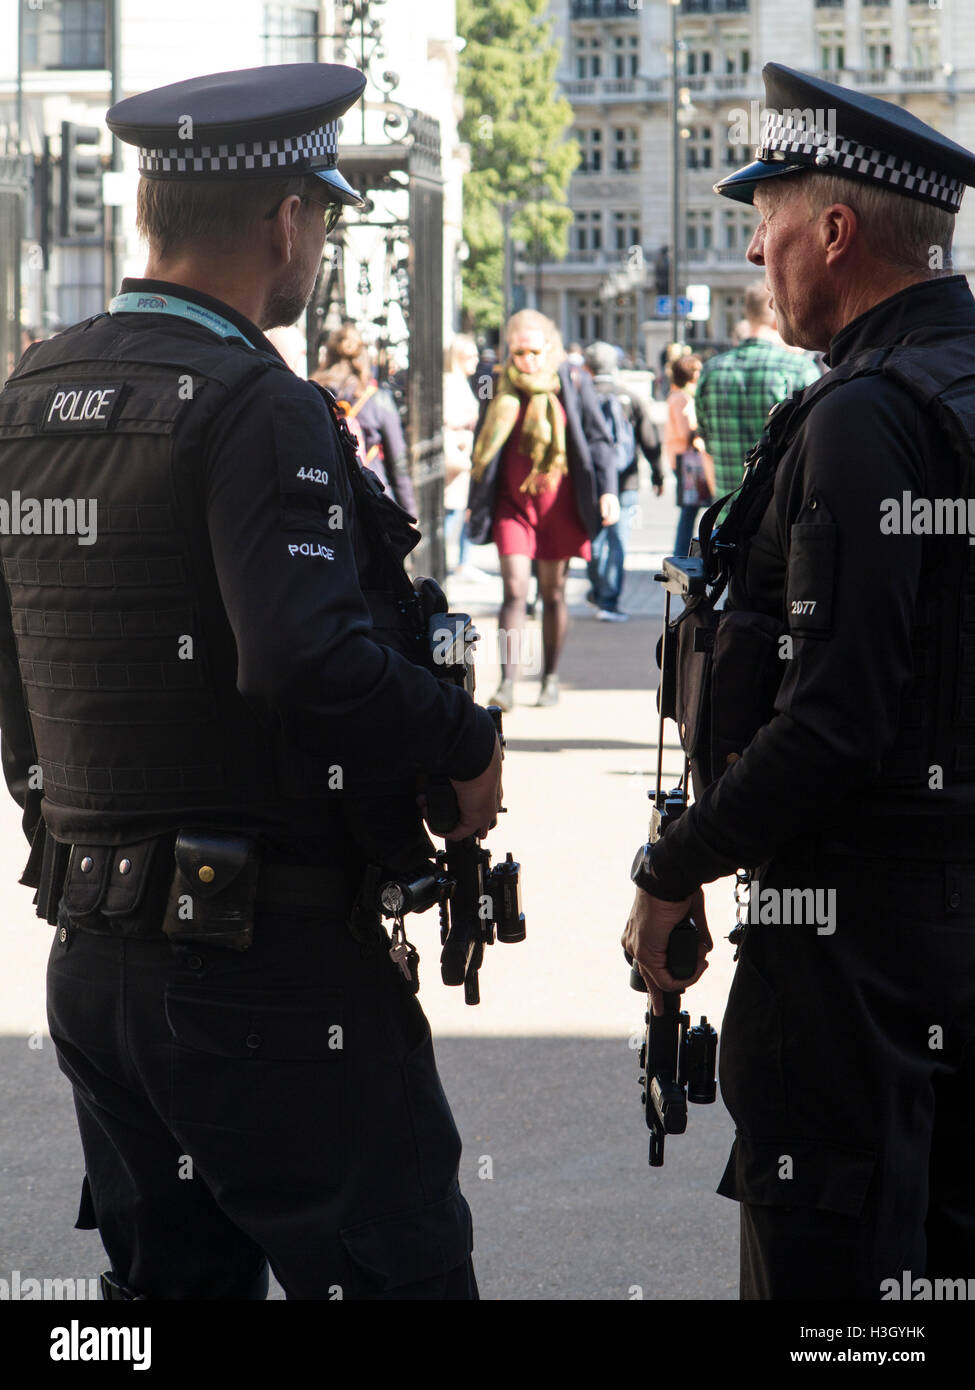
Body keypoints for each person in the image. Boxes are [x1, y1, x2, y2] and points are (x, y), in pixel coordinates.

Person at [0, 62, 503, 1301]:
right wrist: (462, 736)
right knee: (402, 1277)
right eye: (323, 216)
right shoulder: (258, 405)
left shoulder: (26, 398)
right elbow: (302, 656)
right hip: (265, 971)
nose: (319, 245)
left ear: (145, 216)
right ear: (288, 221)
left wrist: (69, 827)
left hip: (98, 959)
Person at [623, 61, 975, 1300]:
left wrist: (673, 868)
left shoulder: (865, 418)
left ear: (836, 232)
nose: (759, 254)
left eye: (768, 224)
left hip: (854, 969)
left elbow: (834, 719)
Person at [467, 309, 618, 709]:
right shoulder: (498, 386)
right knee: (514, 590)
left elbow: (600, 440)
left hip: (560, 505)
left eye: (534, 351)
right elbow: (484, 450)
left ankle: (550, 677)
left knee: (553, 594)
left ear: (548, 347)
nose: (526, 360)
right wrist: (472, 503)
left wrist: (609, 490)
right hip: (512, 504)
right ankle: (508, 683)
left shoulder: (573, 381)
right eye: (518, 352)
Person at [695, 280, 821, 514]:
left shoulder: (711, 371)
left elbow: (706, 450)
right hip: (780, 524)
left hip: (725, 519)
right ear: (778, 314)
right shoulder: (798, 369)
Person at [582, 339, 663, 621]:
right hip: (625, 480)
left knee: (593, 538)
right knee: (618, 541)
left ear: (587, 366)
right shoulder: (629, 397)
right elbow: (650, 440)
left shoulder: (581, 396)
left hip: (590, 482)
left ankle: (597, 588)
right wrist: (658, 473)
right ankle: (610, 600)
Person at [313, 323, 417, 515]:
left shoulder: (314, 393)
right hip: (371, 501)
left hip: (326, 496)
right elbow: (398, 461)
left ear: (328, 354)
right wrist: (409, 511)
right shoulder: (377, 399)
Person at [665, 354, 715, 556]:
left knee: (691, 509)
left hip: (683, 459)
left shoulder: (679, 395)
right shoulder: (683, 398)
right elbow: (689, 431)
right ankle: (685, 552)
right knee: (692, 509)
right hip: (690, 461)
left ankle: (686, 551)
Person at [442, 333, 480, 575]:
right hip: (455, 454)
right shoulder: (451, 382)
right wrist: (468, 421)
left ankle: (460, 561)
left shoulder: (463, 381)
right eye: (470, 356)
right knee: (451, 511)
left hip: (463, 453)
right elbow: (444, 418)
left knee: (460, 510)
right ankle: (438, 561)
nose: (475, 360)